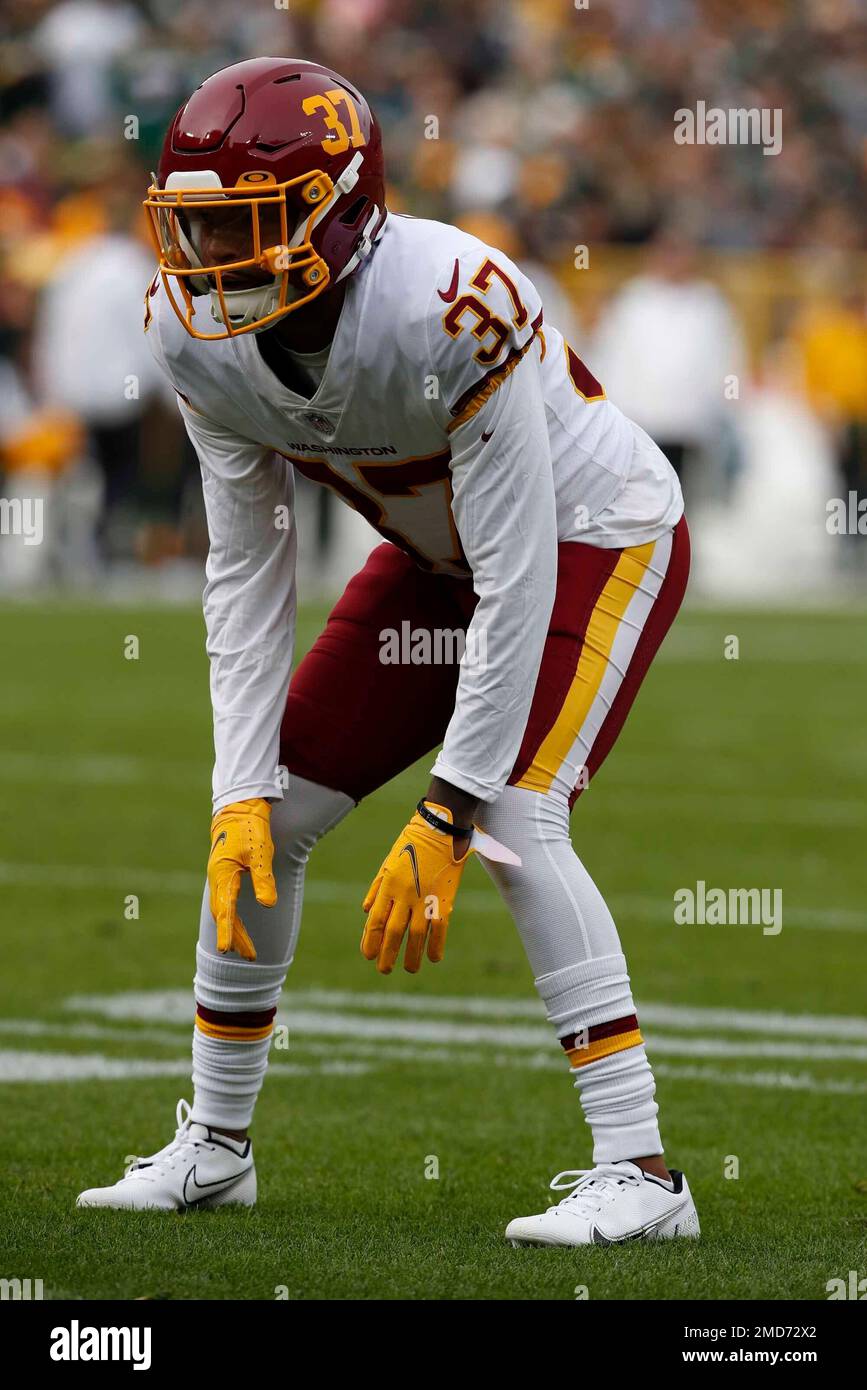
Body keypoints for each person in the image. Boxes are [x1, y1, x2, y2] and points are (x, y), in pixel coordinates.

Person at [76, 57, 697, 1247]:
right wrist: (234, 788)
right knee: (271, 816)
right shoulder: (195, 337)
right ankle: (214, 1144)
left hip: (587, 537)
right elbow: (246, 566)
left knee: (518, 819)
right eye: (192, 228)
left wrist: (447, 809)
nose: (206, 261)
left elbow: (519, 575)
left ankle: (647, 1173)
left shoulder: (452, 300)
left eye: (238, 227)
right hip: (441, 556)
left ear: (341, 209)